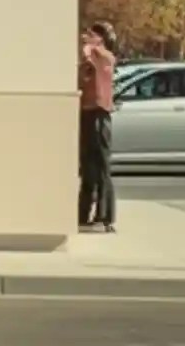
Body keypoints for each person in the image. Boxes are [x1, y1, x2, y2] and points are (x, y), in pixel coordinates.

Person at [78, 21, 118, 232]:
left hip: (100, 114)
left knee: (102, 168)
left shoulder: (105, 57)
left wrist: (89, 47)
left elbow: (90, 54)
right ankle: (83, 214)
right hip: (86, 113)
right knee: (87, 168)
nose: (85, 36)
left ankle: (105, 217)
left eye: (91, 34)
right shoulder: (90, 58)